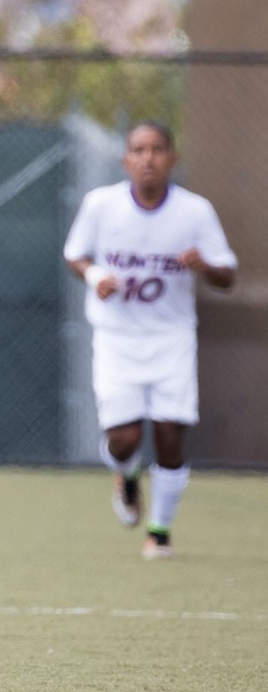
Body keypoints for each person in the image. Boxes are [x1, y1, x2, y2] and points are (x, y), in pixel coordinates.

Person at [62, 120, 236, 561]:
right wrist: (98, 275)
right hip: (117, 338)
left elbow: (227, 275)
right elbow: (75, 255)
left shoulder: (194, 212)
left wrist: (204, 266)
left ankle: (159, 533)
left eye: (157, 149)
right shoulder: (101, 205)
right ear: (126, 160)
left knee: (169, 434)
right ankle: (126, 475)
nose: (148, 159)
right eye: (138, 150)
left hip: (171, 337)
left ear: (172, 158)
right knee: (123, 439)